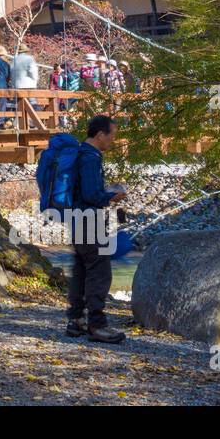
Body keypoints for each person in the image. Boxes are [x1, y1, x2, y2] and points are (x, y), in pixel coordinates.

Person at [66, 115, 127, 344]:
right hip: (89, 219)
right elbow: (92, 194)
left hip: (75, 217)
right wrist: (113, 196)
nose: (113, 140)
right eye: (112, 136)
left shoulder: (79, 153)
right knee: (100, 270)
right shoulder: (91, 157)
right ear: (100, 135)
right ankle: (97, 325)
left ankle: (76, 320)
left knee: (81, 268)